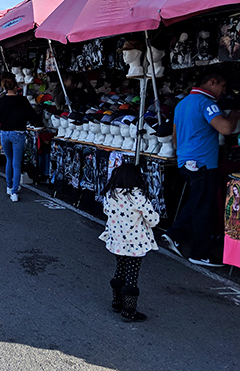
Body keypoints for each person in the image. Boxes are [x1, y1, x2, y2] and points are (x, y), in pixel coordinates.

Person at [161, 72, 240, 267]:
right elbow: (226, 129)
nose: (223, 92)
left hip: (185, 162)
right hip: (203, 163)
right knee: (204, 208)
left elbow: (175, 138)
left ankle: (174, 234)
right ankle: (199, 252)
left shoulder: (183, 104)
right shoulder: (206, 103)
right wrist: (235, 113)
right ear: (212, 82)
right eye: (222, 86)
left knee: (197, 201)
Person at [99, 163, 159, 322]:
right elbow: (152, 220)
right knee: (132, 275)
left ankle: (116, 301)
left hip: (116, 241)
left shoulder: (110, 195)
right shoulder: (138, 197)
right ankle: (129, 310)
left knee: (120, 269)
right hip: (135, 243)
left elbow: (106, 212)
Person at [0, 73, 41, 202]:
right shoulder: (22, 100)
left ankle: (9, 186)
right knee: (16, 162)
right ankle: (14, 191)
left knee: (9, 160)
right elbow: (32, 116)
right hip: (18, 133)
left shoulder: (1, 101)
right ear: (15, 87)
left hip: (4, 133)